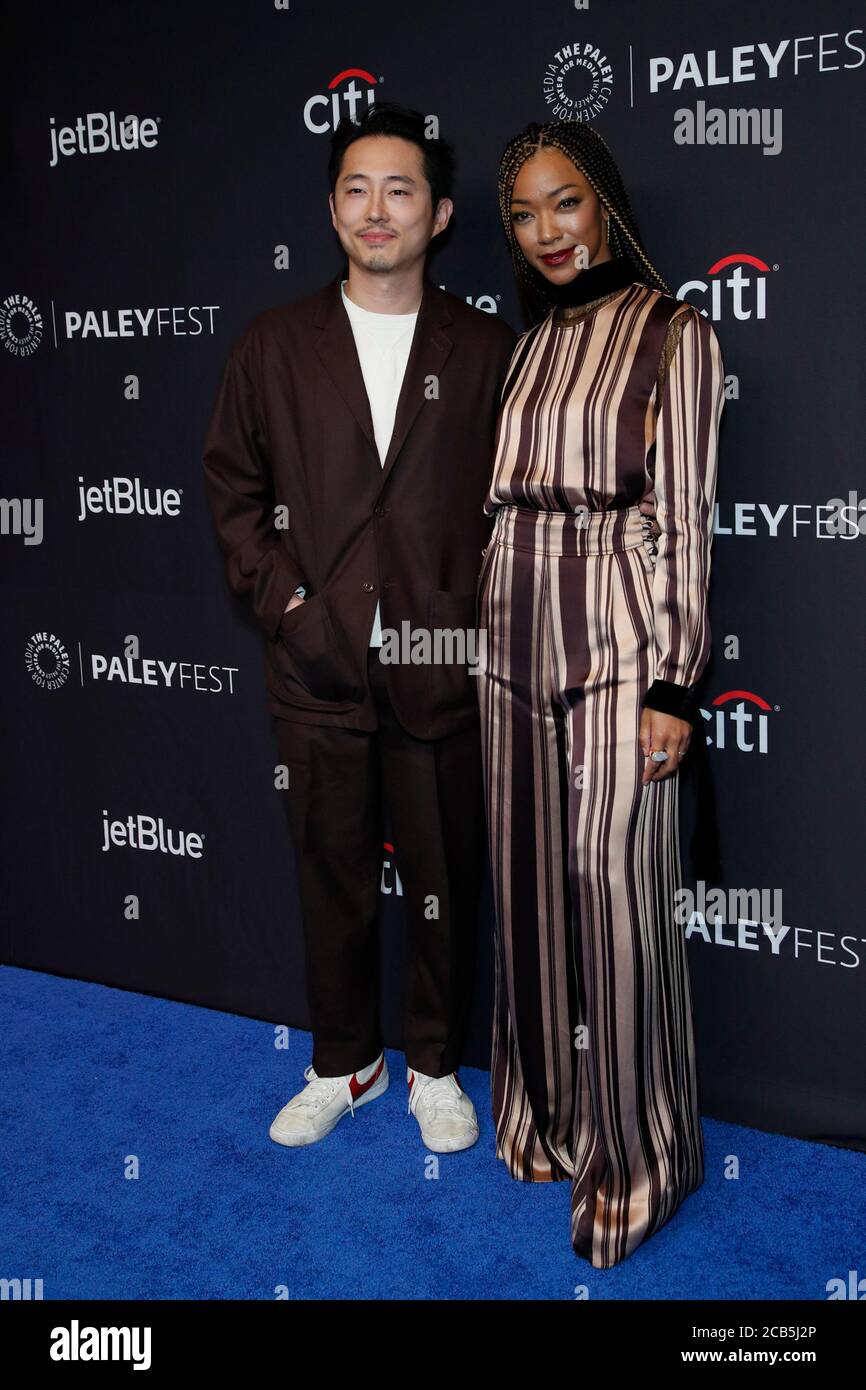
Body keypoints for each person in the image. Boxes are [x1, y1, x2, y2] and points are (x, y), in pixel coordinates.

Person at [201, 103, 516, 1154]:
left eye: (400, 190)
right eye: (355, 189)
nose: (376, 209)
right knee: (328, 875)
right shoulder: (274, 344)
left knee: (443, 878)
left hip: (442, 666)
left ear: (439, 216)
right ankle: (346, 1062)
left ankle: (433, 1063)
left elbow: (517, 507)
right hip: (319, 670)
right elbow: (233, 490)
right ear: (333, 212)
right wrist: (288, 605)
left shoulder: (485, 349)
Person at [475, 120, 725, 1266]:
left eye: (562, 204)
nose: (545, 234)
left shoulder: (675, 334)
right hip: (509, 609)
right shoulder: (528, 344)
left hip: (618, 619)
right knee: (527, 877)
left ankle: (646, 1158)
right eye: (522, 215)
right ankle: (548, 1119)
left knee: (608, 882)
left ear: (606, 203)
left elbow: (682, 519)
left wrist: (675, 682)